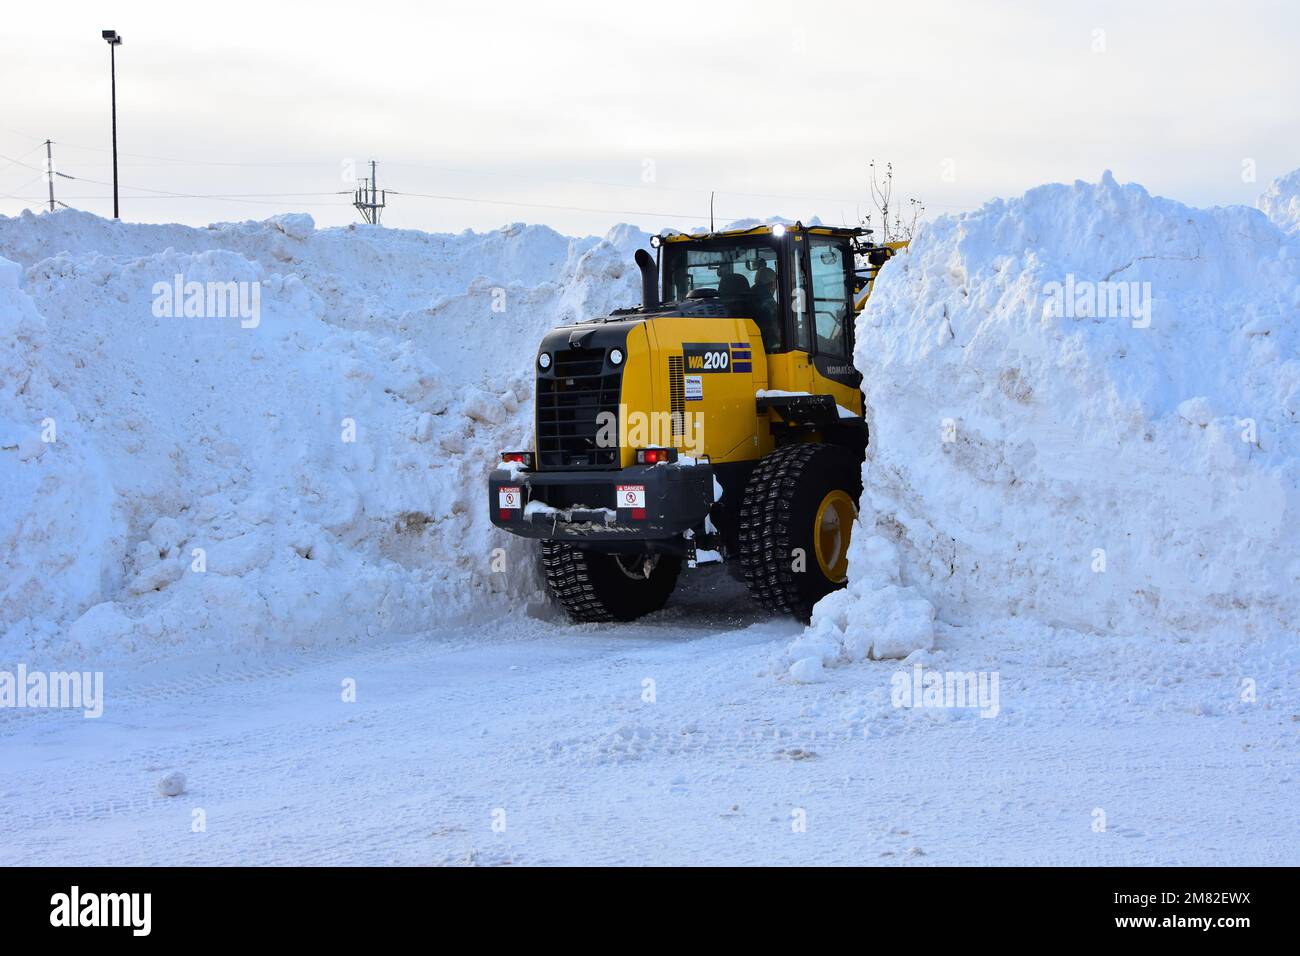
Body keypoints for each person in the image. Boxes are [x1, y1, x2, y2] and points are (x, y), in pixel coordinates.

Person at [751, 266, 781, 349]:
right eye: (776, 283)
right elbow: (778, 317)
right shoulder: (765, 296)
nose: (775, 287)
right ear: (771, 284)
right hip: (766, 341)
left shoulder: (751, 293)